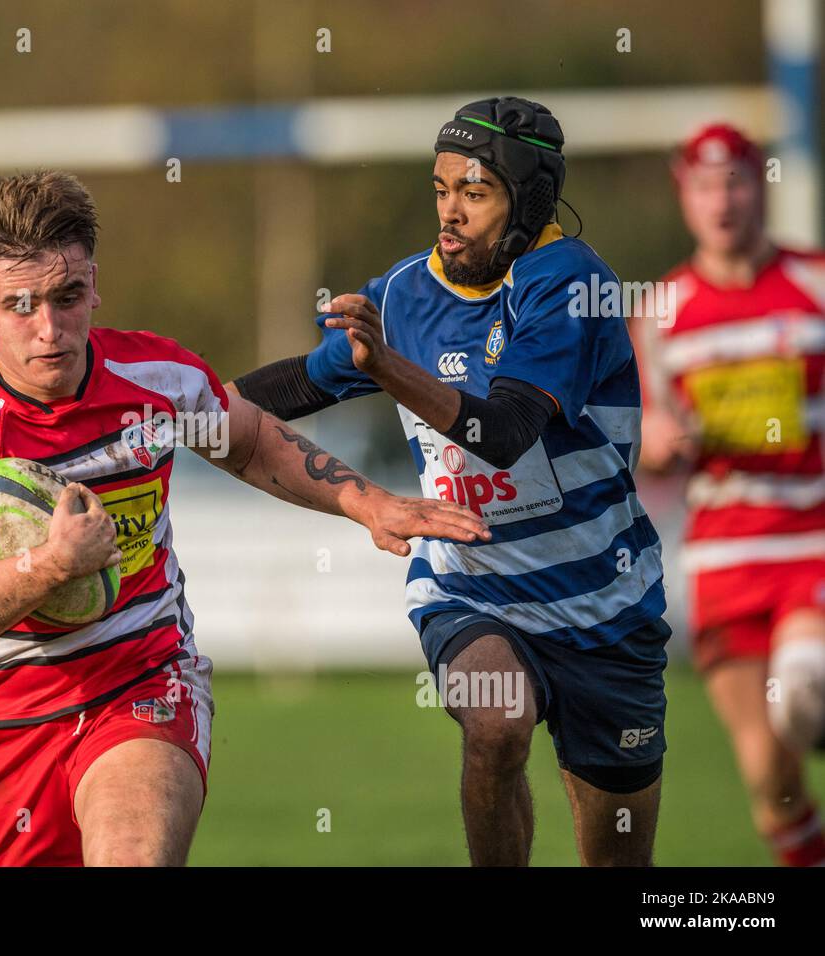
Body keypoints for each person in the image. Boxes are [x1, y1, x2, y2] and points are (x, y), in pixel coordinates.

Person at [0, 169, 488, 866]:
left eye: (67, 296)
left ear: (95, 287)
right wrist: (49, 565)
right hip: (9, 718)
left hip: (142, 681)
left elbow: (253, 440)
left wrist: (368, 501)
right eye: (19, 305)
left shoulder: (156, 379)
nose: (49, 329)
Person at [231, 97, 670, 865]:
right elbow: (303, 383)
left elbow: (502, 435)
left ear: (529, 201)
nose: (450, 213)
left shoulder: (569, 281)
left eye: (475, 193)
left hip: (605, 597)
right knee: (496, 723)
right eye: (441, 190)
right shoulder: (403, 294)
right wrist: (166, 406)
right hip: (470, 586)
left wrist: (388, 367)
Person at [632, 122, 825, 866]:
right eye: (706, 186)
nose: (723, 201)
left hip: (811, 541)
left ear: (761, 188)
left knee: (804, 688)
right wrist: (653, 446)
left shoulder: (812, 285)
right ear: (686, 196)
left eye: (737, 182)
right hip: (725, 557)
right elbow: (647, 442)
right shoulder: (659, 314)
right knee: (767, 773)